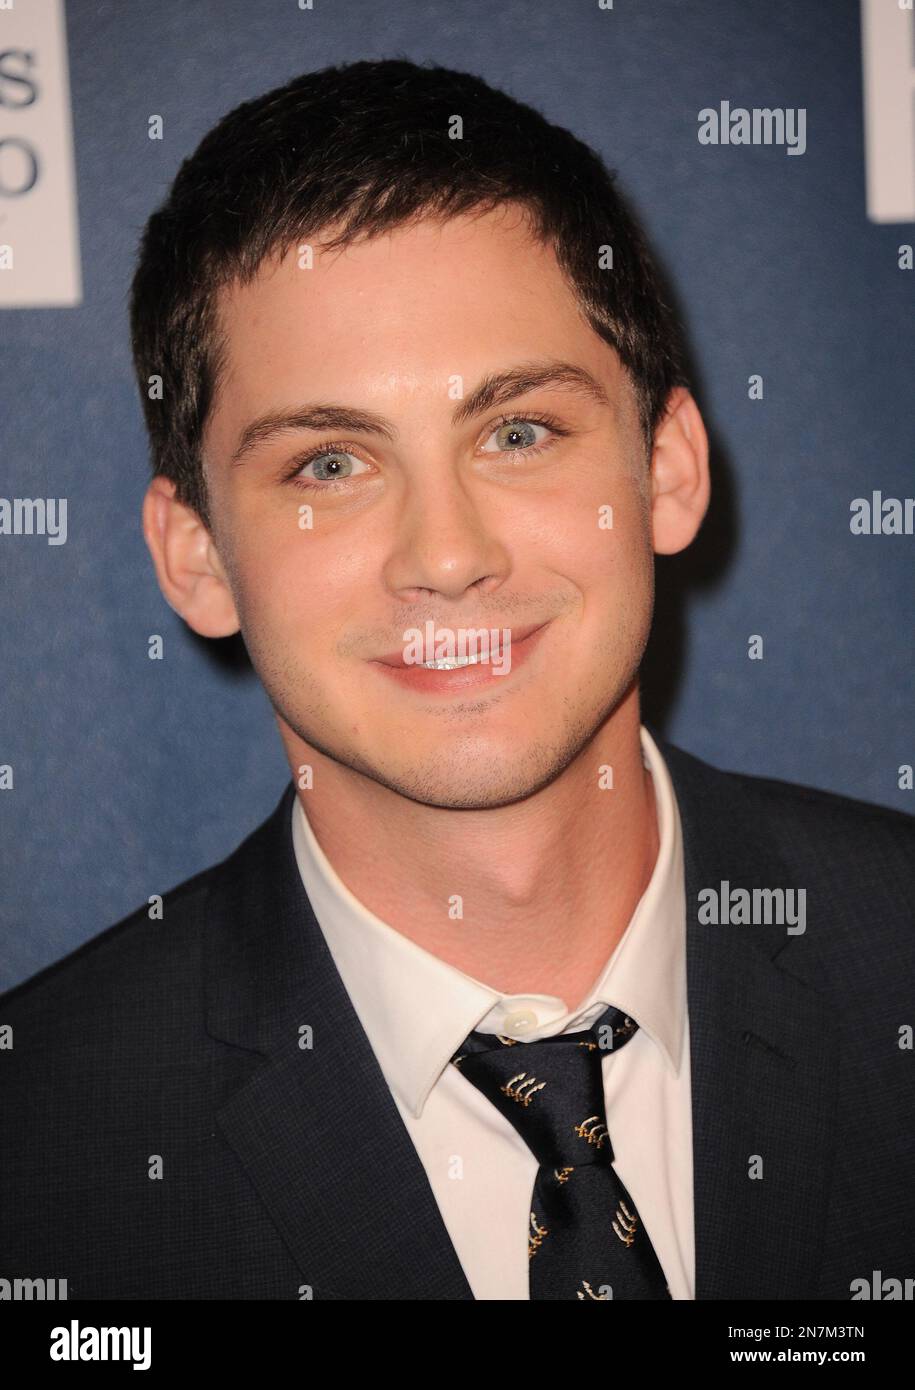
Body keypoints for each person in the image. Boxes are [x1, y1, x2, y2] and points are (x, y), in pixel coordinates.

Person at [1, 58, 912, 1303]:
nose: (447, 555)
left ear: (671, 468)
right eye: (329, 464)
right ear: (198, 557)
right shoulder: (42, 1156)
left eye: (518, 432)